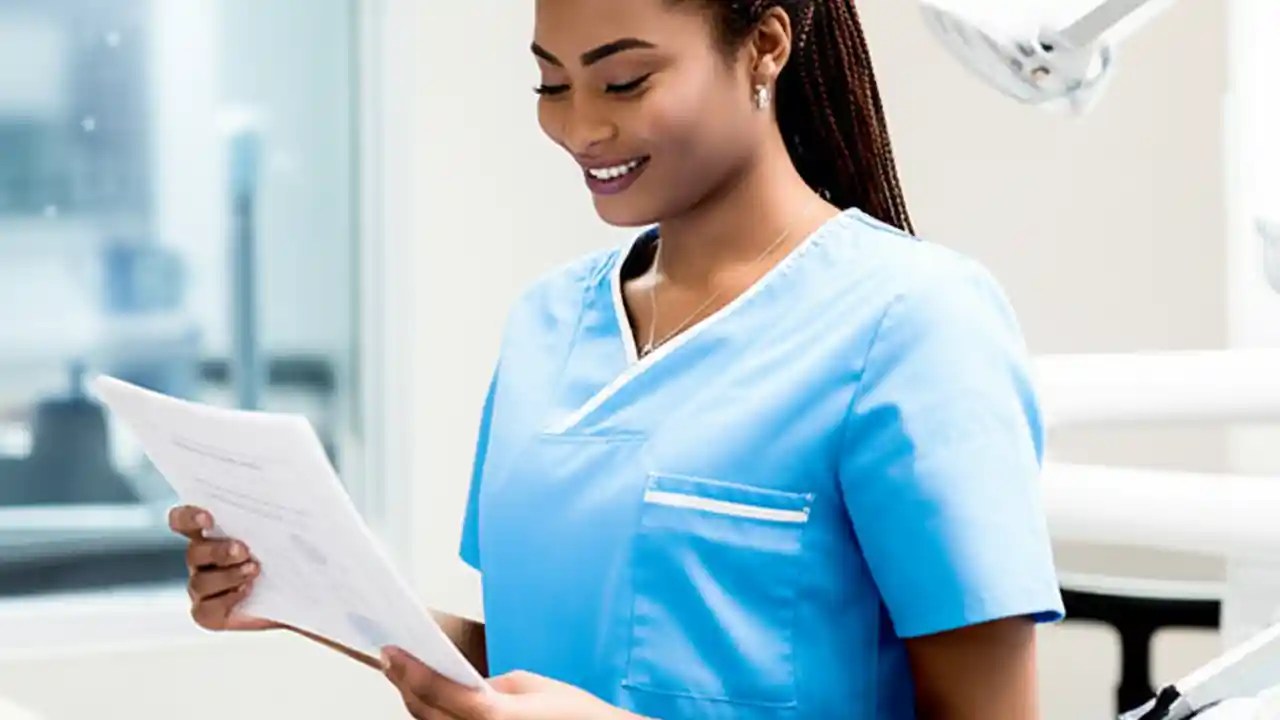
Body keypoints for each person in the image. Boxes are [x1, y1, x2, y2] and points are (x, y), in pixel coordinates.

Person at [169, 0, 1066, 717]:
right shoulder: (548, 322)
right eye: (551, 84)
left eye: (624, 81)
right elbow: (542, 663)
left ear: (764, 47)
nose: (581, 127)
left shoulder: (911, 322)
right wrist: (302, 589)